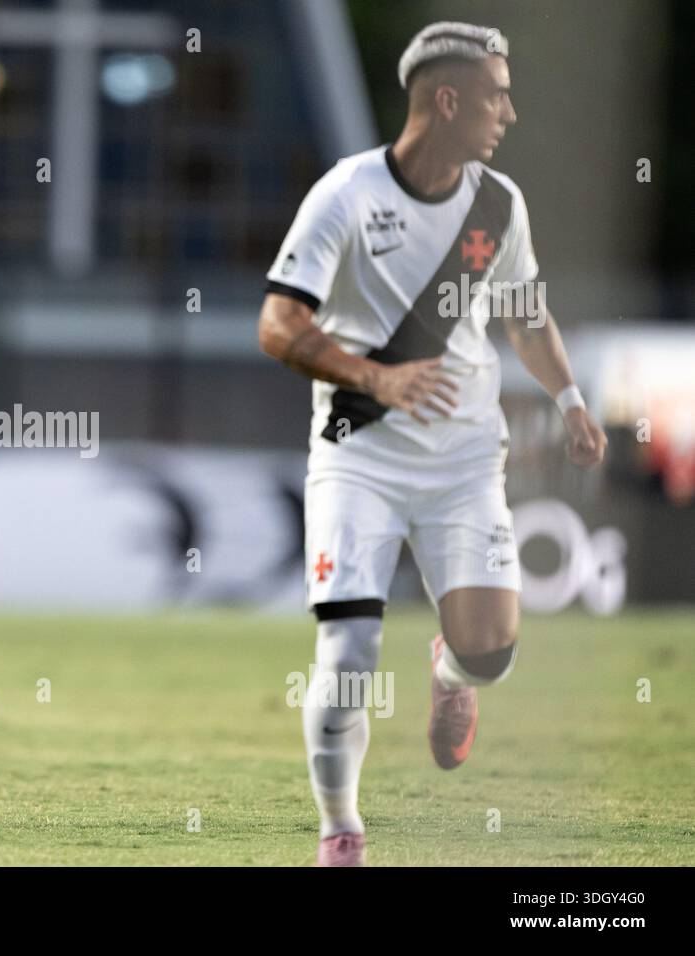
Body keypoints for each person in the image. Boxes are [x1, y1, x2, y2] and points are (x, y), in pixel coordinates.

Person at [258, 22, 607, 866]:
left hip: (462, 463)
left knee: (492, 654)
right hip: (358, 455)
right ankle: (341, 831)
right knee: (346, 650)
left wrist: (569, 400)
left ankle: (451, 673)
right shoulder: (345, 195)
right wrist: (377, 380)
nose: (510, 112)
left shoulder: (499, 205)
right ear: (448, 100)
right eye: (496, 93)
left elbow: (526, 314)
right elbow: (278, 324)